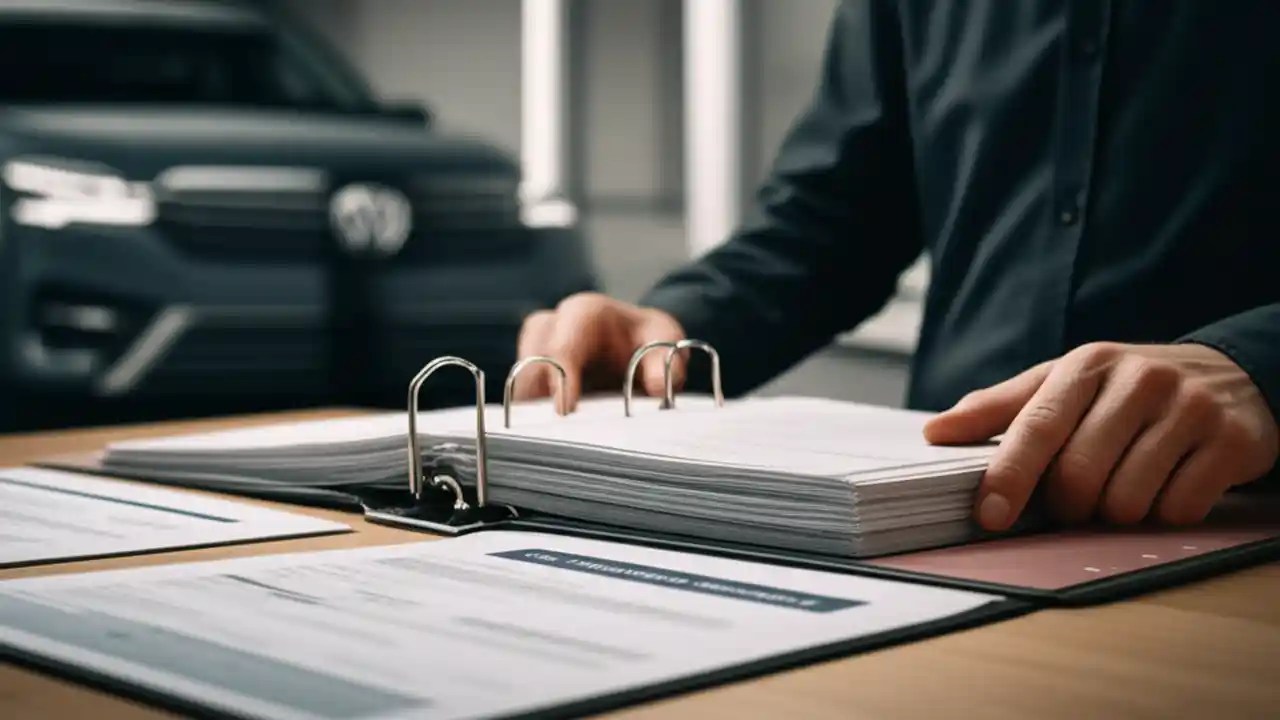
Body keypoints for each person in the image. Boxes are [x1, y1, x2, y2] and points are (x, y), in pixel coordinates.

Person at [514, 1, 1280, 533]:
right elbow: (835, 219)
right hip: (938, 514)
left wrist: (1257, 366)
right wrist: (675, 324)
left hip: (1239, 528)